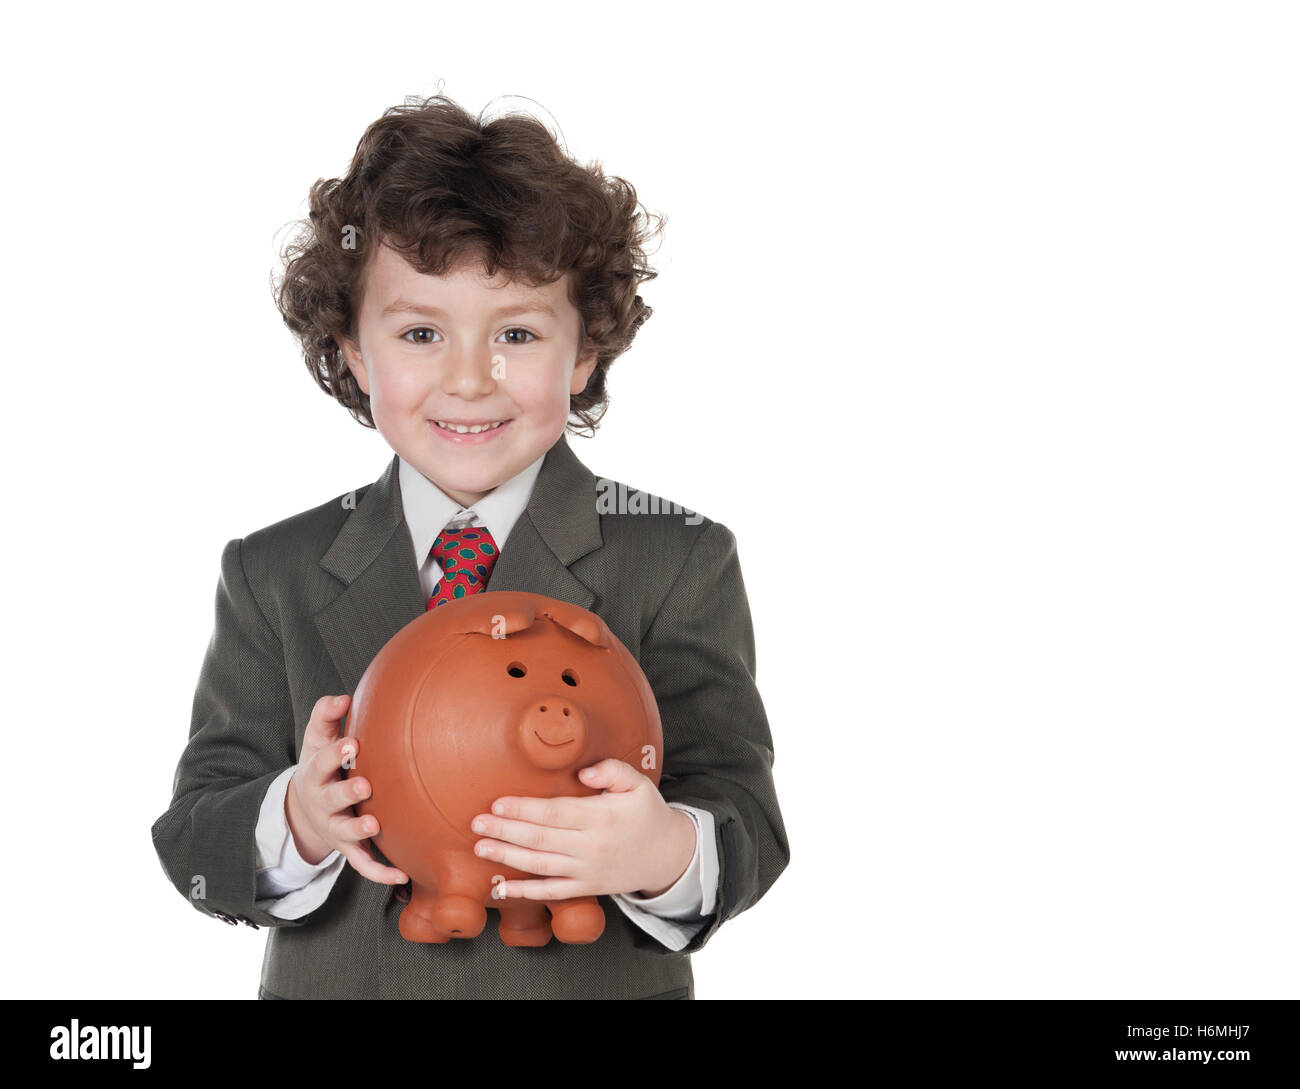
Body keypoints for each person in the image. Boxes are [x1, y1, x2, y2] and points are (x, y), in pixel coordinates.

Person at [150, 92, 789, 999]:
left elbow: (750, 824)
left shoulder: (677, 556)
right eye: (420, 333)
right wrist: (294, 818)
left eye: (518, 334)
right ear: (356, 353)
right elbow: (193, 841)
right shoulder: (272, 570)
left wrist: (660, 849)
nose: (468, 378)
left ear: (584, 355)